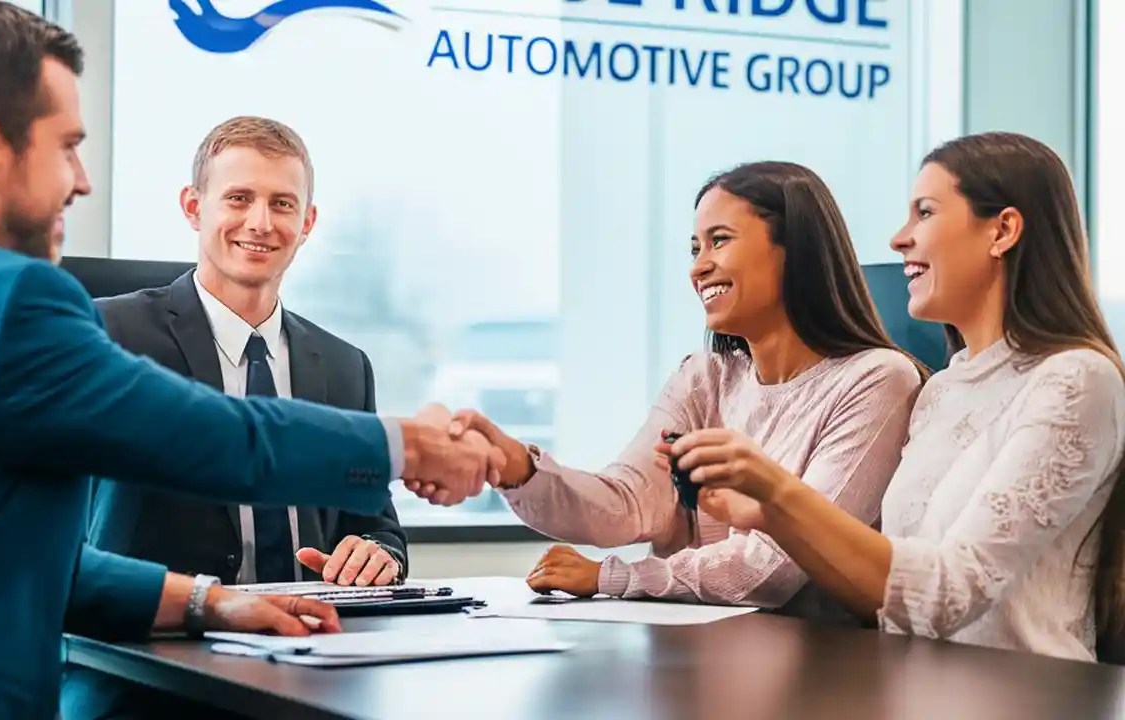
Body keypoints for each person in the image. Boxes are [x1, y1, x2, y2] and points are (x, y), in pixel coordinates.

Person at [0, 3, 500, 718]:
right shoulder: (10, 302)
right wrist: (412, 445)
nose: (82, 179)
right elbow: (216, 438)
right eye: (66, 145)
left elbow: (17, 563)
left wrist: (208, 604)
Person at [674, 132, 1125, 662]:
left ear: (1002, 230)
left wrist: (777, 491)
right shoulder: (941, 391)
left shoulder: (1076, 379)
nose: (898, 239)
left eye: (925, 213)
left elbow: (948, 594)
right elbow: (886, 597)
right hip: (918, 691)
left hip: (1025, 699)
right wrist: (772, 516)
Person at [444, 161, 923, 616]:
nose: (699, 267)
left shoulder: (878, 379)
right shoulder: (704, 376)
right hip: (702, 659)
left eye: (720, 241)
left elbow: (777, 566)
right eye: (695, 248)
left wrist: (613, 578)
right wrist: (518, 469)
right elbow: (624, 504)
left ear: (794, 252)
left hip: (824, 667)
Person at [62, 116, 409, 718]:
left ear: (308, 223)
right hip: (152, 671)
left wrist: (377, 552)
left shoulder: (346, 365)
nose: (260, 223)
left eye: (282, 203)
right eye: (239, 198)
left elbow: (376, 522)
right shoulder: (108, 334)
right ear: (193, 207)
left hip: (310, 667)